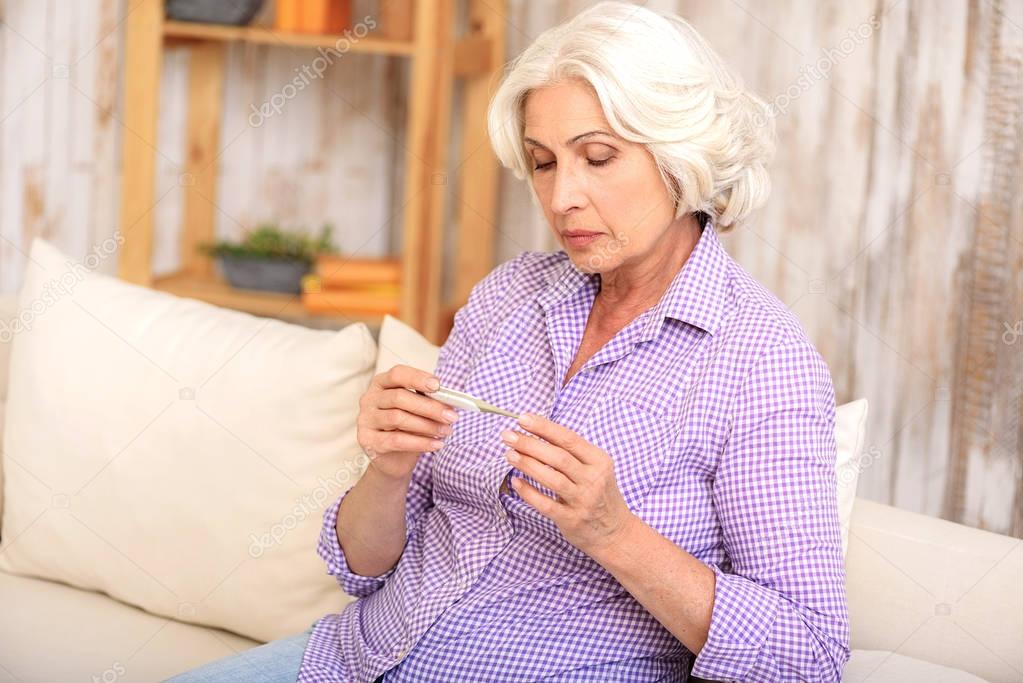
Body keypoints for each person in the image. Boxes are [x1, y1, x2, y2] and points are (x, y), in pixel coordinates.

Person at [169, 2, 850, 680]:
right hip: (351, 660)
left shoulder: (763, 361)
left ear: (682, 155)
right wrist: (388, 467)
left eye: (598, 157)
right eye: (544, 163)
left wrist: (616, 535)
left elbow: (807, 654)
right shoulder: (509, 297)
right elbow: (362, 566)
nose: (561, 198)